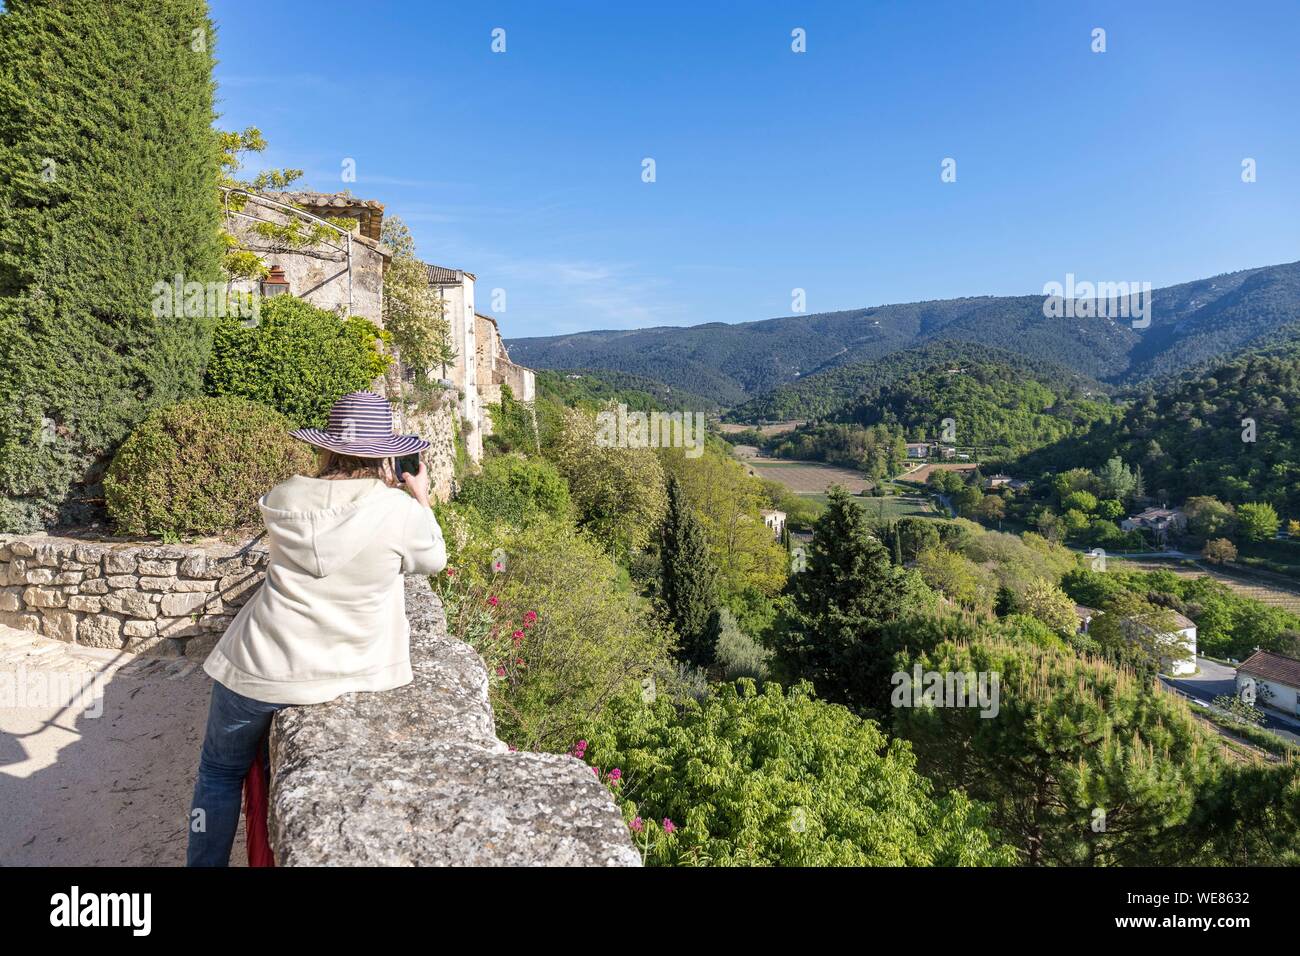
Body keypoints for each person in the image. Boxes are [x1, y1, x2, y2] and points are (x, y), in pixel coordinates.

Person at [187, 391, 447, 866]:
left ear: (326, 447)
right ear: (387, 454)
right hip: (348, 671)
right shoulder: (399, 512)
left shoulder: (285, 496)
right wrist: (420, 498)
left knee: (219, 774)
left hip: (260, 664)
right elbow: (433, 560)